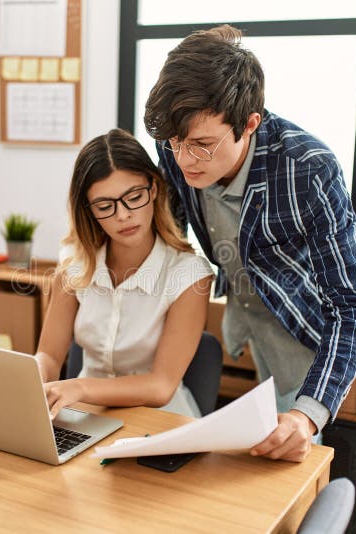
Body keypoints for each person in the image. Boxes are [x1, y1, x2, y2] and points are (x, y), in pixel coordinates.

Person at [144, 25, 356, 461]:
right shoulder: (180, 138)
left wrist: (307, 416)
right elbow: (170, 231)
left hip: (301, 330)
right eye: (174, 143)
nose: (183, 159)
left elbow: (353, 305)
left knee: (287, 455)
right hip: (241, 313)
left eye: (202, 146)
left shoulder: (307, 169)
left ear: (250, 123)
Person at [35, 128, 214, 419]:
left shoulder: (189, 274)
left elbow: (161, 386)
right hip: (84, 416)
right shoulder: (74, 262)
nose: (123, 215)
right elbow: (50, 356)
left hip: (160, 423)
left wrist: (80, 388)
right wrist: (33, 375)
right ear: (89, 210)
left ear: (153, 190)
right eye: (105, 206)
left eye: (134, 197)